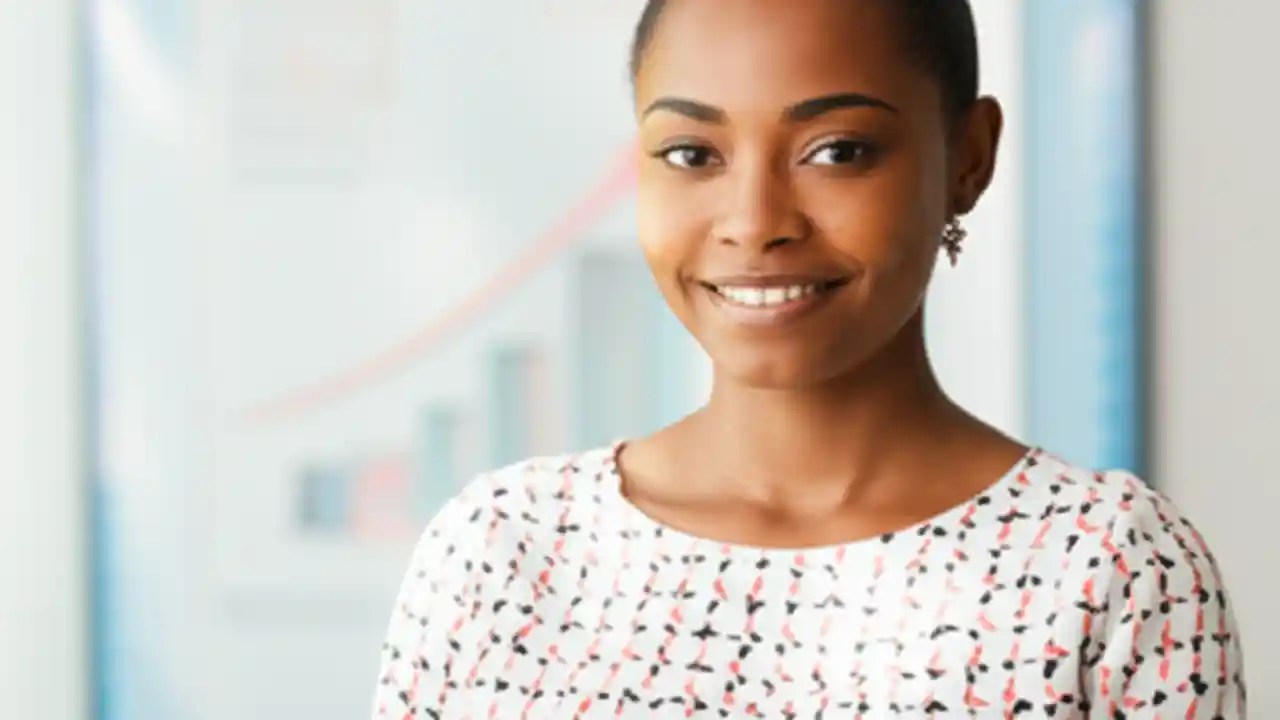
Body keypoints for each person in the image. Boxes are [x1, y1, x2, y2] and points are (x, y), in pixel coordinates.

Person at [371, 0, 1247, 716]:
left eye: (838, 151)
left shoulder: (1109, 566)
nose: (754, 221)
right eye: (692, 154)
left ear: (968, 159)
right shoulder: (500, 553)